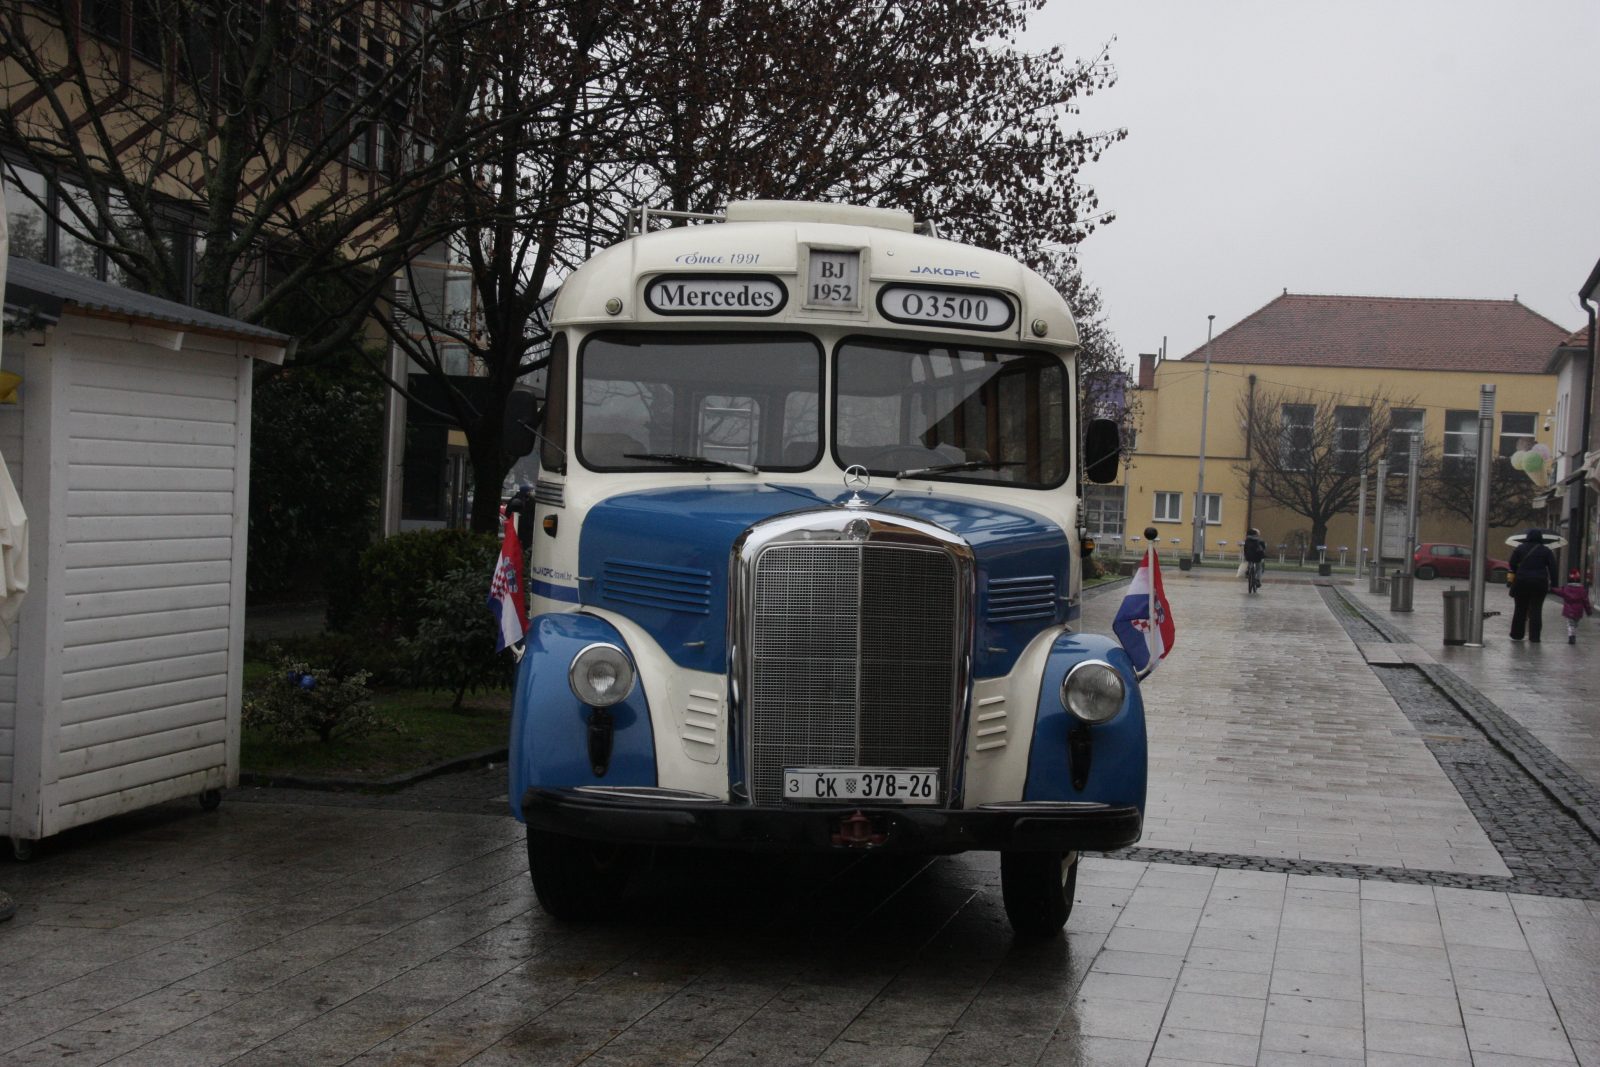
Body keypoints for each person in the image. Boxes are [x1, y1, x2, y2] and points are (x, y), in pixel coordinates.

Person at [1508, 529, 1560, 642]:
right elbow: (1553, 568)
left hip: (1522, 582)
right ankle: (1534, 637)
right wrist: (1554, 584)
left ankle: (1517, 634)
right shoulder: (1546, 551)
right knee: (1536, 609)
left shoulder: (1520, 548)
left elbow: (1512, 564)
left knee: (1520, 608)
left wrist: (1518, 571)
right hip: (1539, 583)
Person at [1556, 569, 1594, 645]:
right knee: (1575, 624)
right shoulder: (1582, 589)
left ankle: (1571, 636)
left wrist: (1552, 588)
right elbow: (1586, 601)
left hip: (1569, 610)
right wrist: (1588, 611)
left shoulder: (1566, 588)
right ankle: (1572, 635)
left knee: (1570, 624)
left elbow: (1559, 591)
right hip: (1578, 612)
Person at [1242, 528, 1267, 594]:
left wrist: (1245, 556)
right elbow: (1263, 548)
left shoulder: (1247, 540)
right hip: (1257, 557)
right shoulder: (1260, 540)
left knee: (1249, 561)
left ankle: (1248, 571)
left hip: (1249, 557)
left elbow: (1245, 550)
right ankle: (1258, 580)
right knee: (1259, 568)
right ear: (1256, 534)